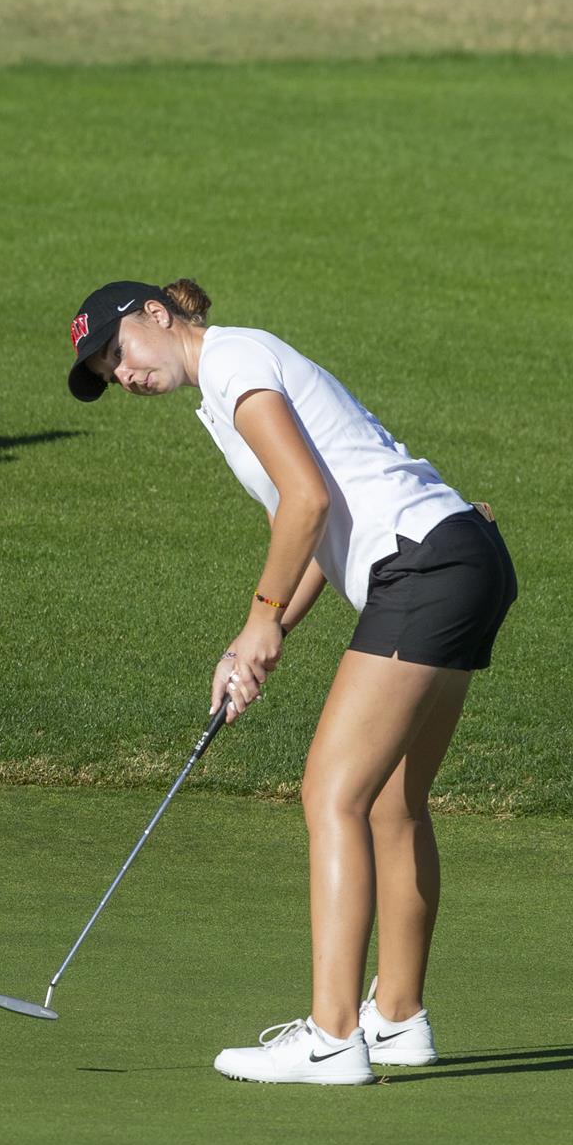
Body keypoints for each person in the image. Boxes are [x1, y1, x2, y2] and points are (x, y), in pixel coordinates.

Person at [66, 278, 517, 1085]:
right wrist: (262, 639)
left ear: (158, 316)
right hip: (461, 558)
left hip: (423, 565)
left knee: (330, 795)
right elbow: (316, 524)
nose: (122, 374)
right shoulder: (226, 386)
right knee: (390, 801)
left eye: (119, 351)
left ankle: (333, 1035)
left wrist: (260, 615)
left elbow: (304, 502)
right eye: (107, 372)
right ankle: (397, 1017)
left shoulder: (234, 359)